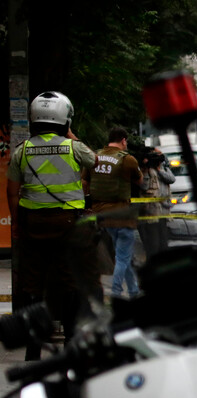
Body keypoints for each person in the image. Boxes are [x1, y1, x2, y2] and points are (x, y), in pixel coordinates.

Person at [6, 91, 99, 359]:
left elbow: (12, 192)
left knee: (32, 285)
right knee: (70, 282)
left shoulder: (22, 150)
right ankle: (70, 342)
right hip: (68, 224)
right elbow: (94, 161)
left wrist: (16, 223)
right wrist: (71, 135)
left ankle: (33, 350)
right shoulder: (73, 147)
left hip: (33, 224)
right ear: (65, 119)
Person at [89, 126, 144, 300]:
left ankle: (134, 290)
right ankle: (117, 292)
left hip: (102, 216)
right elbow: (140, 181)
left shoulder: (95, 156)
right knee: (122, 257)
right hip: (122, 216)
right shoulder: (127, 159)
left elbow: (85, 181)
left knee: (123, 254)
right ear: (123, 140)